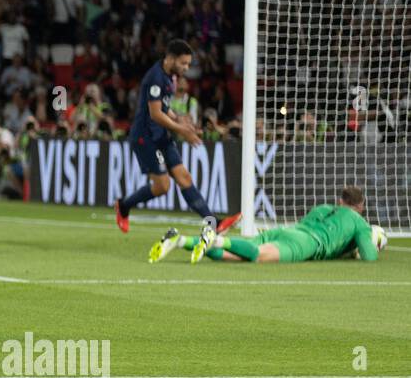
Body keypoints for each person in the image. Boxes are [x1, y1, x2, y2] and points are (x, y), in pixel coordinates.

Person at [114, 39, 239, 235]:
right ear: (170, 59)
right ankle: (123, 206)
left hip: (160, 133)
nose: (186, 68)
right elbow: (155, 113)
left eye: (188, 64)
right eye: (183, 63)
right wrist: (182, 130)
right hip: (145, 137)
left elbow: (164, 107)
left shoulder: (170, 77)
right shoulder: (155, 78)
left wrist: (179, 119)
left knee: (184, 177)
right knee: (163, 186)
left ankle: (213, 222)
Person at [150, 186, 384, 265]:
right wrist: (359, 249)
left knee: (237, 255)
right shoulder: (359, 222)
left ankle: (180, 240)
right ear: (360, 206)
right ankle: (215, 239)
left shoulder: (323, 208)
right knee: (257, 257)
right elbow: (370, 257)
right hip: (306, 243)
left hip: (288, 230)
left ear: (340, 201)